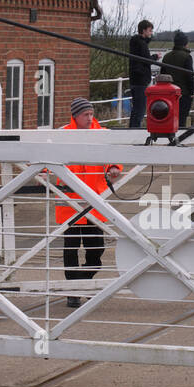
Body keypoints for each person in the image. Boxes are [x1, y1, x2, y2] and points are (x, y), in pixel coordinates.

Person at [55, 96, 122, 308]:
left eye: (92, 113)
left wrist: (115, 167)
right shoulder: (62, 135)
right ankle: (73, 291)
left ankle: (82, 282)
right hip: (70, 206)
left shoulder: (100, 134)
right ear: (75, 115)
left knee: (96, 250)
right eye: (86, 114)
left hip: (95, 204)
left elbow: (113, 156)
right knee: (71, 250)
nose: (90, 117)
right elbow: (46, 160)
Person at [160, 30, 194, 127]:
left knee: (169, 117)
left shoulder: (166, 57)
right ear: (186, 44)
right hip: (183, 93)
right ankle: (178, 138)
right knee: (181, 118)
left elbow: (162, 74)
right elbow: (189, 76)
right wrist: (192, 92)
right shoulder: (187, 57)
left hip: (168, 93)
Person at [128, 19, 155, 129]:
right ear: (144, 31)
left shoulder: (135, 42)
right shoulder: (142, 44)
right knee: (140, 109)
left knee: (135, 108)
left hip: (134, 79)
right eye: (149, 30)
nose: (151, 33)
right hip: (141, 80)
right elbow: (146, 60)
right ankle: (135, 130)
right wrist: (155, 57)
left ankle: (131, 129)